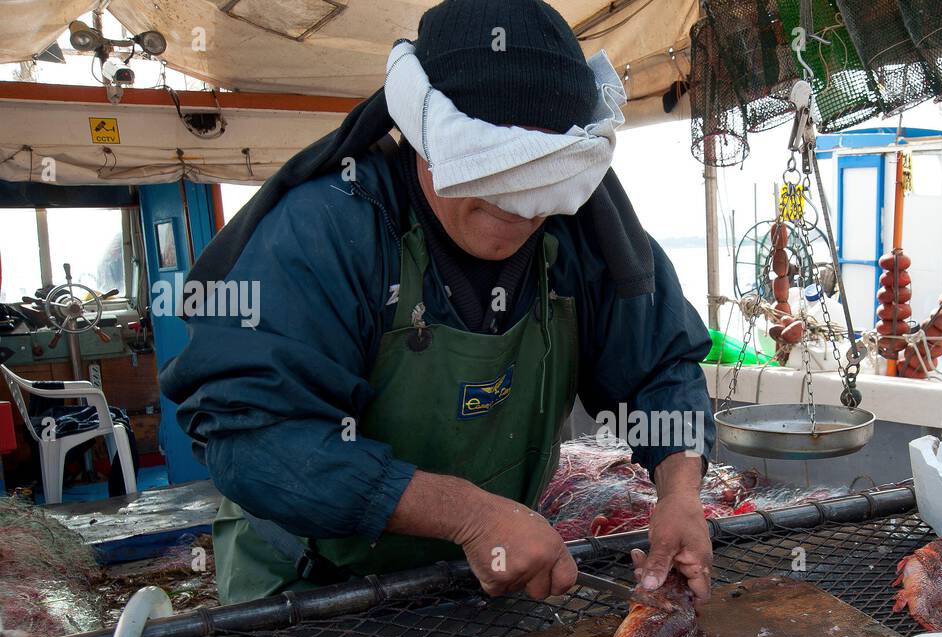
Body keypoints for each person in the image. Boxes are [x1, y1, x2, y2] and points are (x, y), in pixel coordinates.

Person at [161, 0, 715, 606]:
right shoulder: (325, 229)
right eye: (492, 175)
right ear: (422, 136)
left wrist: (681, 491)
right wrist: (468, 516)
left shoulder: (586, 233)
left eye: (540, 182)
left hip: (492, 579)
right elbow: (256, 440)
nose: (517, 206)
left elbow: (662, 369)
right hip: (309, 583)